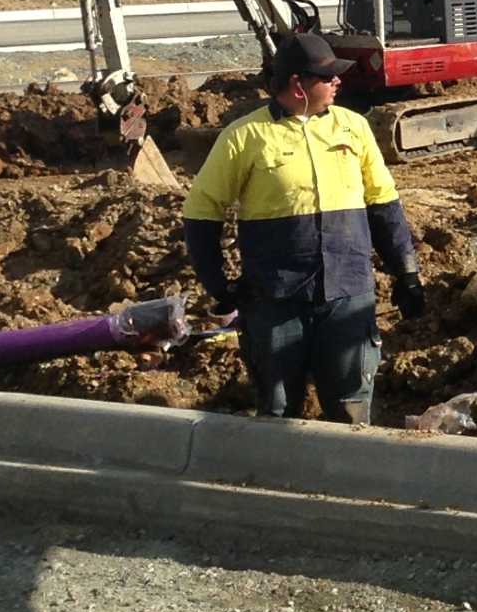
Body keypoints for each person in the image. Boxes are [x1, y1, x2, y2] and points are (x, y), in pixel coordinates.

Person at [182, 29, 427, 422]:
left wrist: (407, 273)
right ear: (298, 84)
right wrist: (219, 286)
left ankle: (346, 483)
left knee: (351, 407)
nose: (337, 82)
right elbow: (201, 213)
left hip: (347, 293)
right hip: (277, 300)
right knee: (278, 410)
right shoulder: (245, 137)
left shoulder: (354, 127)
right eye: (327, 77)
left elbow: (383, 203)